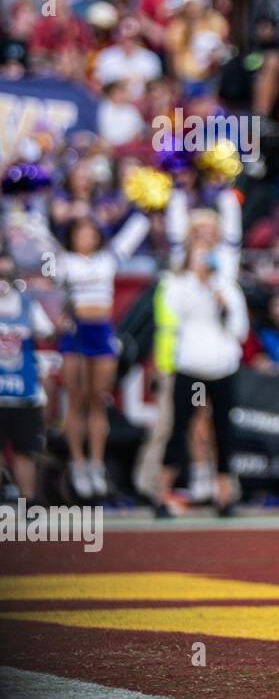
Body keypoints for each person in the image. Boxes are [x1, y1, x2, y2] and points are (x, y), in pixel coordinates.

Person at [57, 211, 150, 499]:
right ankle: (77, 462)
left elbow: (133, 235)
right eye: (80, 233)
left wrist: (147, 206)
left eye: (91, 233)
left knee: (99, 398)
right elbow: (51, 293)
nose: (87, 238)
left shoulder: (107, 259)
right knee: (76, 399)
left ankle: (96, 463)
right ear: (72, 237)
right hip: (76, 332)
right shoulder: (64, 262)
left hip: (102, 331)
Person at [157, 241, 249, 518]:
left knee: (224, 431)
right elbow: (175, 311)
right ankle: (162, 495)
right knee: (179, 428)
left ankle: (223, 495)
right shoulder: (178, 284)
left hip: (222, 368)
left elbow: (239, 330)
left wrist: (222, 301)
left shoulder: (228, 287)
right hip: (191, 368)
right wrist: (198, 283)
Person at [0, 252, 55, 501]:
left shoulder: (26, 304)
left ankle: (27, 498)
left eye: (7, 275)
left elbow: (47, 332)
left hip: (23, 391)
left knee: (25, 449)